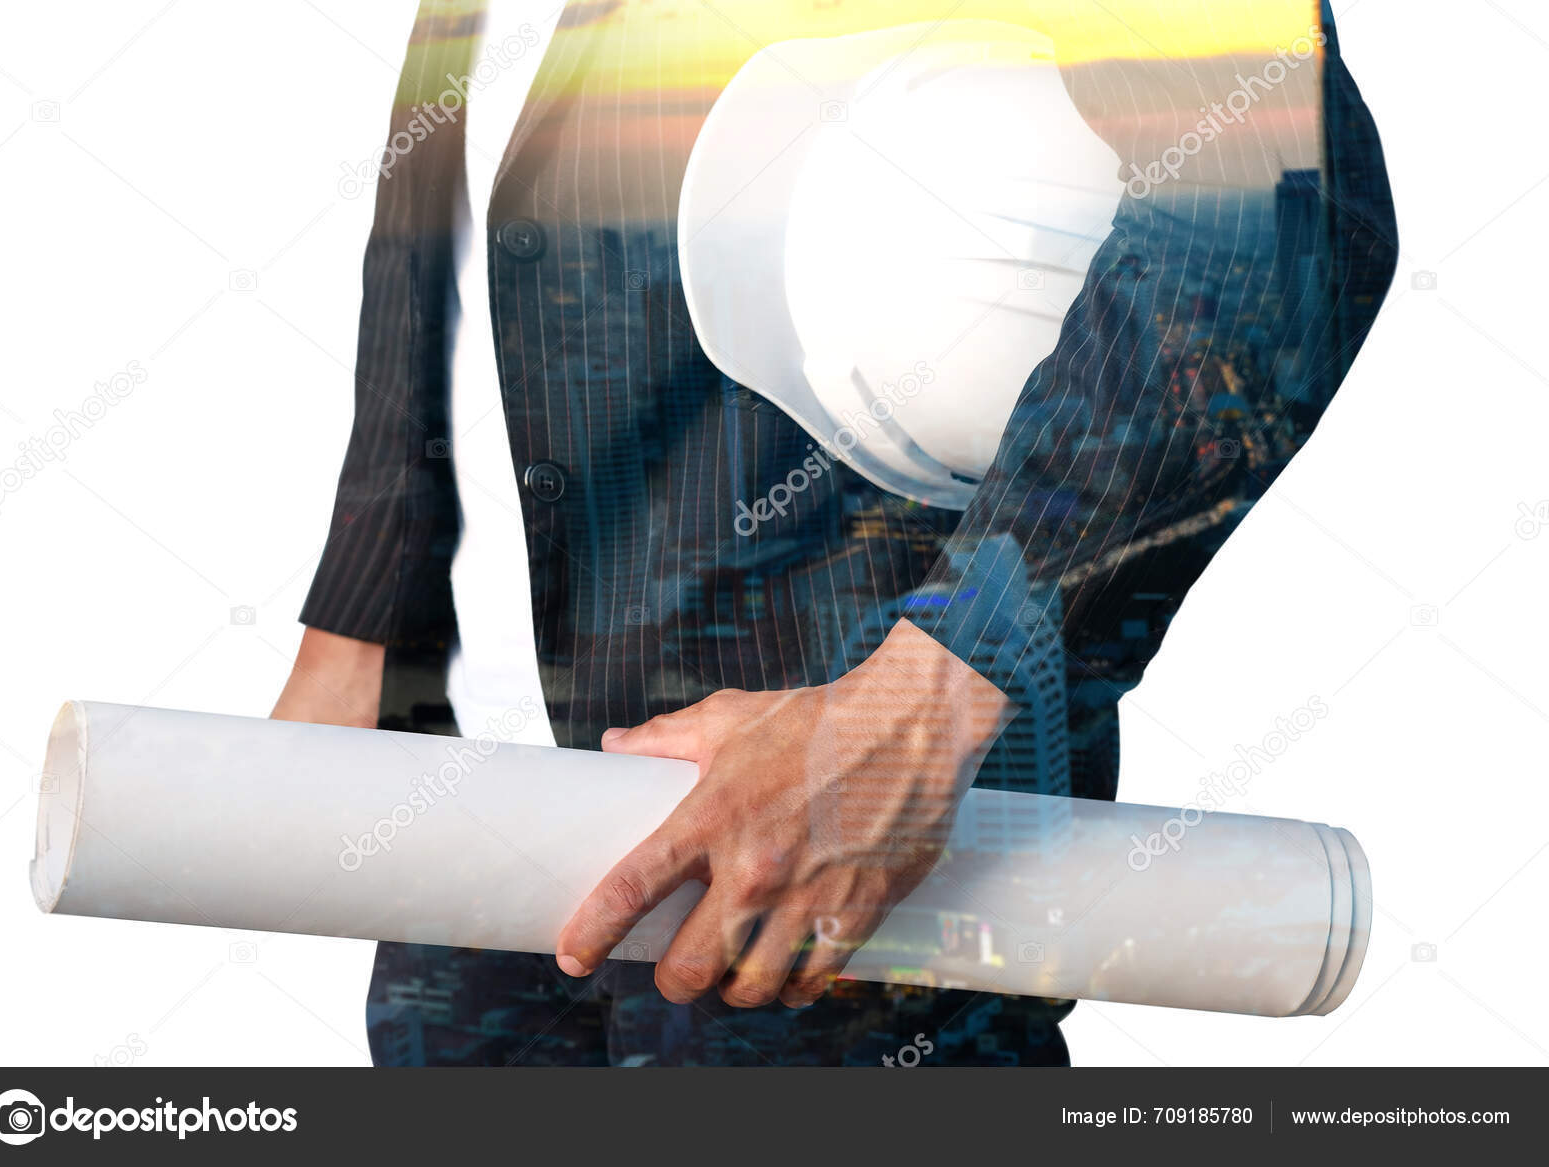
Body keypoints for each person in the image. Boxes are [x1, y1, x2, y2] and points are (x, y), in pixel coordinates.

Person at [273, 0, 1396, 1066]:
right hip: (465, 819)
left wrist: (942, 686)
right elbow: (464, 175)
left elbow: (1275, 202)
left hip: (837, 854)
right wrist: (364, 622)